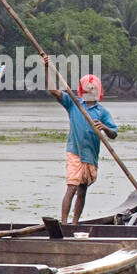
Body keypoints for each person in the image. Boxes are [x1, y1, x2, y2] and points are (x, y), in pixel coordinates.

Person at [49, 72, 118, 224]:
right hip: (75, 151)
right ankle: (65, 223)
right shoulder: (74, 104)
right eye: (87, 90)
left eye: (92, 90)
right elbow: (53, 90)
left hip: (90, 155)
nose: (89, 93)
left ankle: (74, 223)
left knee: (82, 190)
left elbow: (113, 134)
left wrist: (104, 128)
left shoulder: (101, 112)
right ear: (82, 91)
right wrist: (47, 67)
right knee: (72, 187)